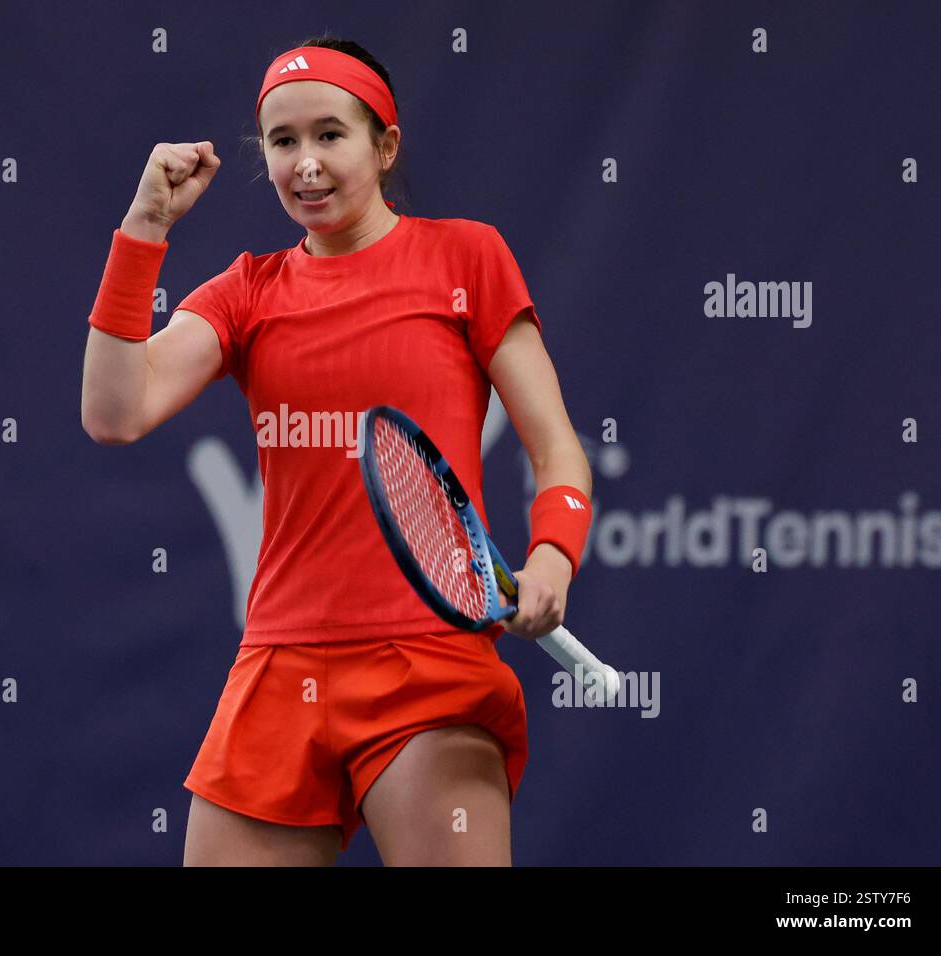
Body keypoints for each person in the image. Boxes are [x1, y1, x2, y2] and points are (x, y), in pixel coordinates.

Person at [81, 35, 593, 866]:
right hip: (277, 664)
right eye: (283, 141)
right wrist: (144, 230)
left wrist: (552, 559)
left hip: (428, 666)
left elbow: (558, 449)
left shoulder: (468, 257)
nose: (306, 163)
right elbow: (113, 411)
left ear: (385, 147)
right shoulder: (245, 292)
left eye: (330, 134)